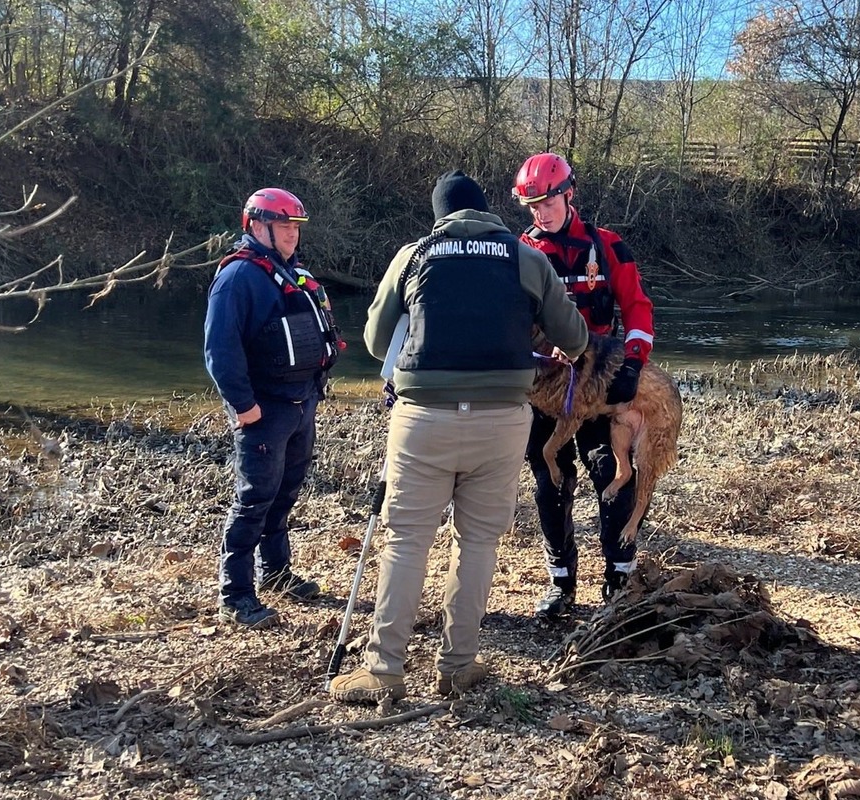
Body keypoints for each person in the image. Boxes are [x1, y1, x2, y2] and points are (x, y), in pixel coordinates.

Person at [329, 170, 587, 703]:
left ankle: (383, 670)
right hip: (502, 422)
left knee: (405, 543)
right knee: (478, 542)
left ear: (440, 215)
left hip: (422, 420)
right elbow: (575, 337)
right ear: (486, 211)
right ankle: (457, 665)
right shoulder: (525, 257)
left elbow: (379, 343)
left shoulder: (415, 254)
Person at [511, 153, 655, 616]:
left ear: (568, 194)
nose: (541, 212)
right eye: (532, 206)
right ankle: (561, 583)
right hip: (543, 384)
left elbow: (637, 308)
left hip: (599, 382)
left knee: (612, 471)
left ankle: (618, 578)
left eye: (548, 202)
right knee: (549, 477)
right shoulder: (520, 252)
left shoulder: (609, 247)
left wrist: (633, 363)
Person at [205, 187, 345, 629]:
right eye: (284, 225)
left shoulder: (290, 272)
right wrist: (243, 407)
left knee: (285, 493)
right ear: (258, 226)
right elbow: (219, 350)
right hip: (264, 410)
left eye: (295, 226)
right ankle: (236, 593)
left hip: (301, 402)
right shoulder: (237, 278)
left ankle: (276, 572)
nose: (292, 234)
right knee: (253, 500)